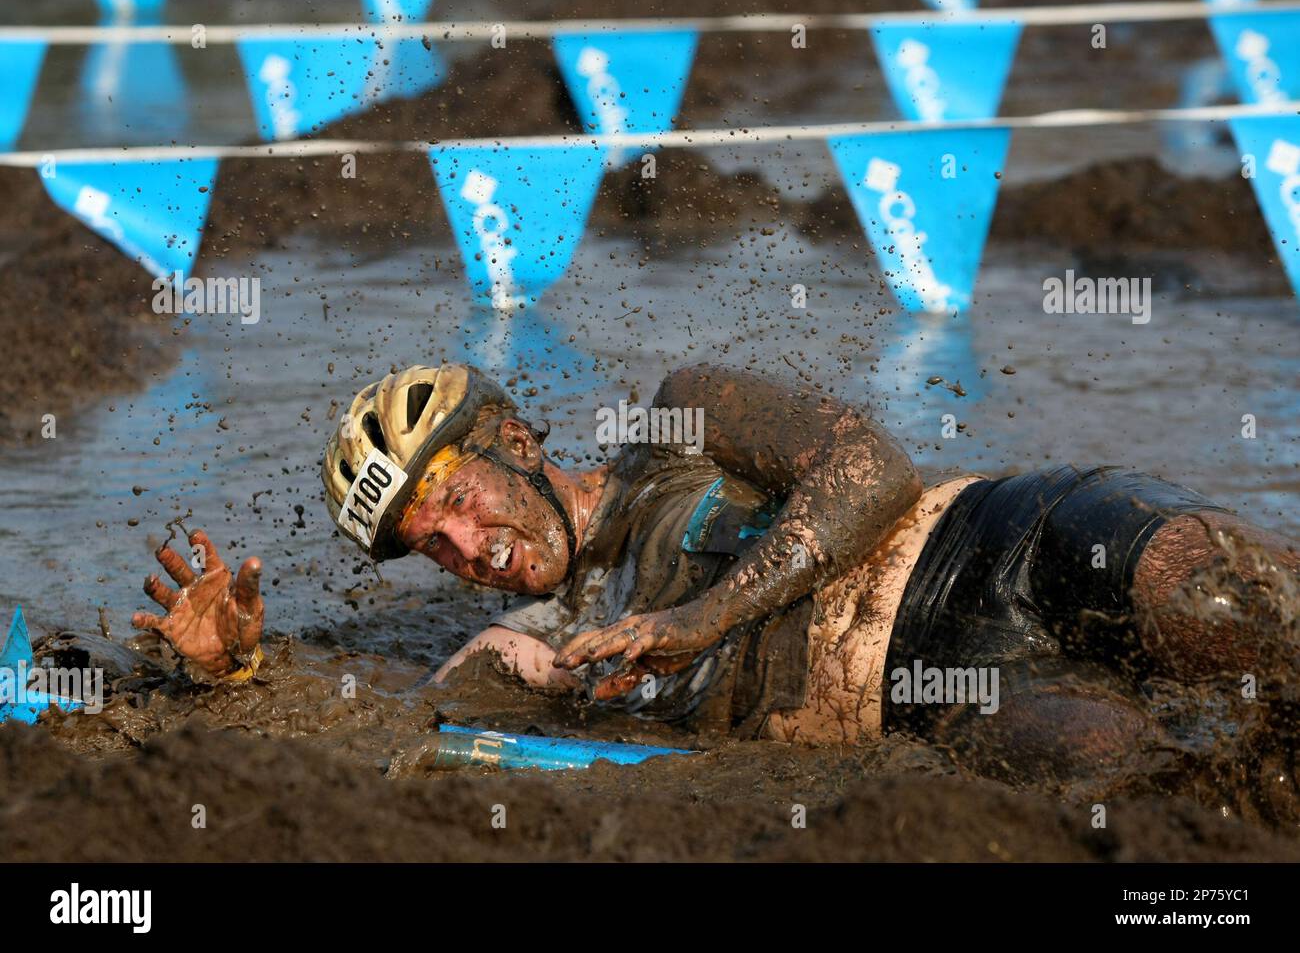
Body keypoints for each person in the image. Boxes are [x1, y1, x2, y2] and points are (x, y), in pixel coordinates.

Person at [131, 362, 1299, 776]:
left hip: (1003, 539)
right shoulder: (529, 657)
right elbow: (389, 743)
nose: (468, 550)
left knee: (1225, 609)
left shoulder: (680, 415)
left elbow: (869, 473)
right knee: (1138, 779)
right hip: (934, 700)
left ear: (517, 442)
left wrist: (698, 624)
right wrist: (234, 677)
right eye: (425, 549)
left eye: (455, 502)